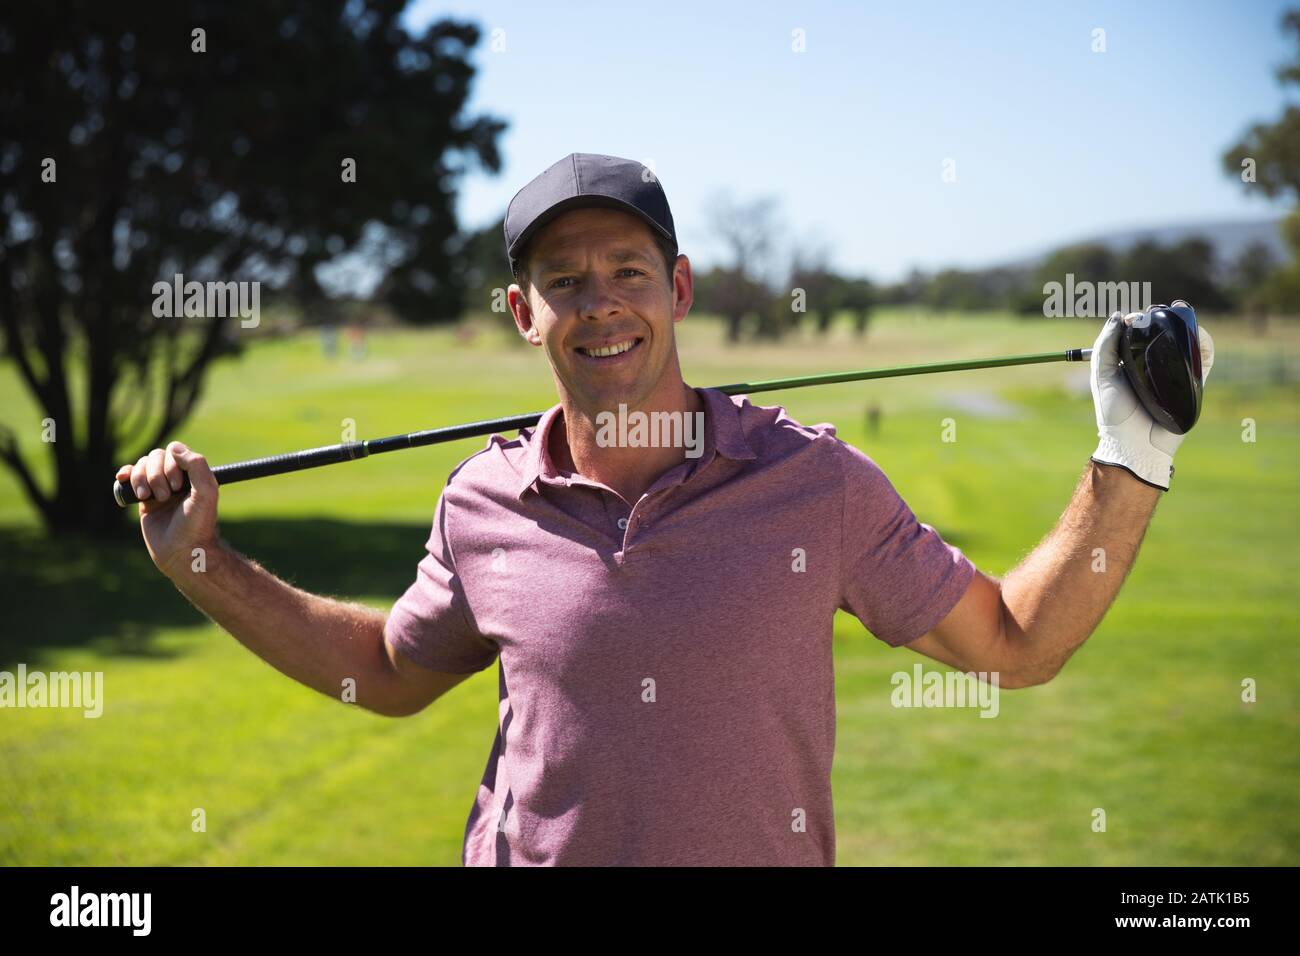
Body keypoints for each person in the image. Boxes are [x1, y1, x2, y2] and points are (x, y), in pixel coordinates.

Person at [117, 152, 1213, 866]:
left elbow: (1011, 647)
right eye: (565, 281)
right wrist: (200, 562)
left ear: (678, 289)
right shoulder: (484, 499)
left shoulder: (813, 485)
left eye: (627, 272)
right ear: (521, 312)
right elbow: (390, 672)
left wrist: (1132, 453)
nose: (601, 305)